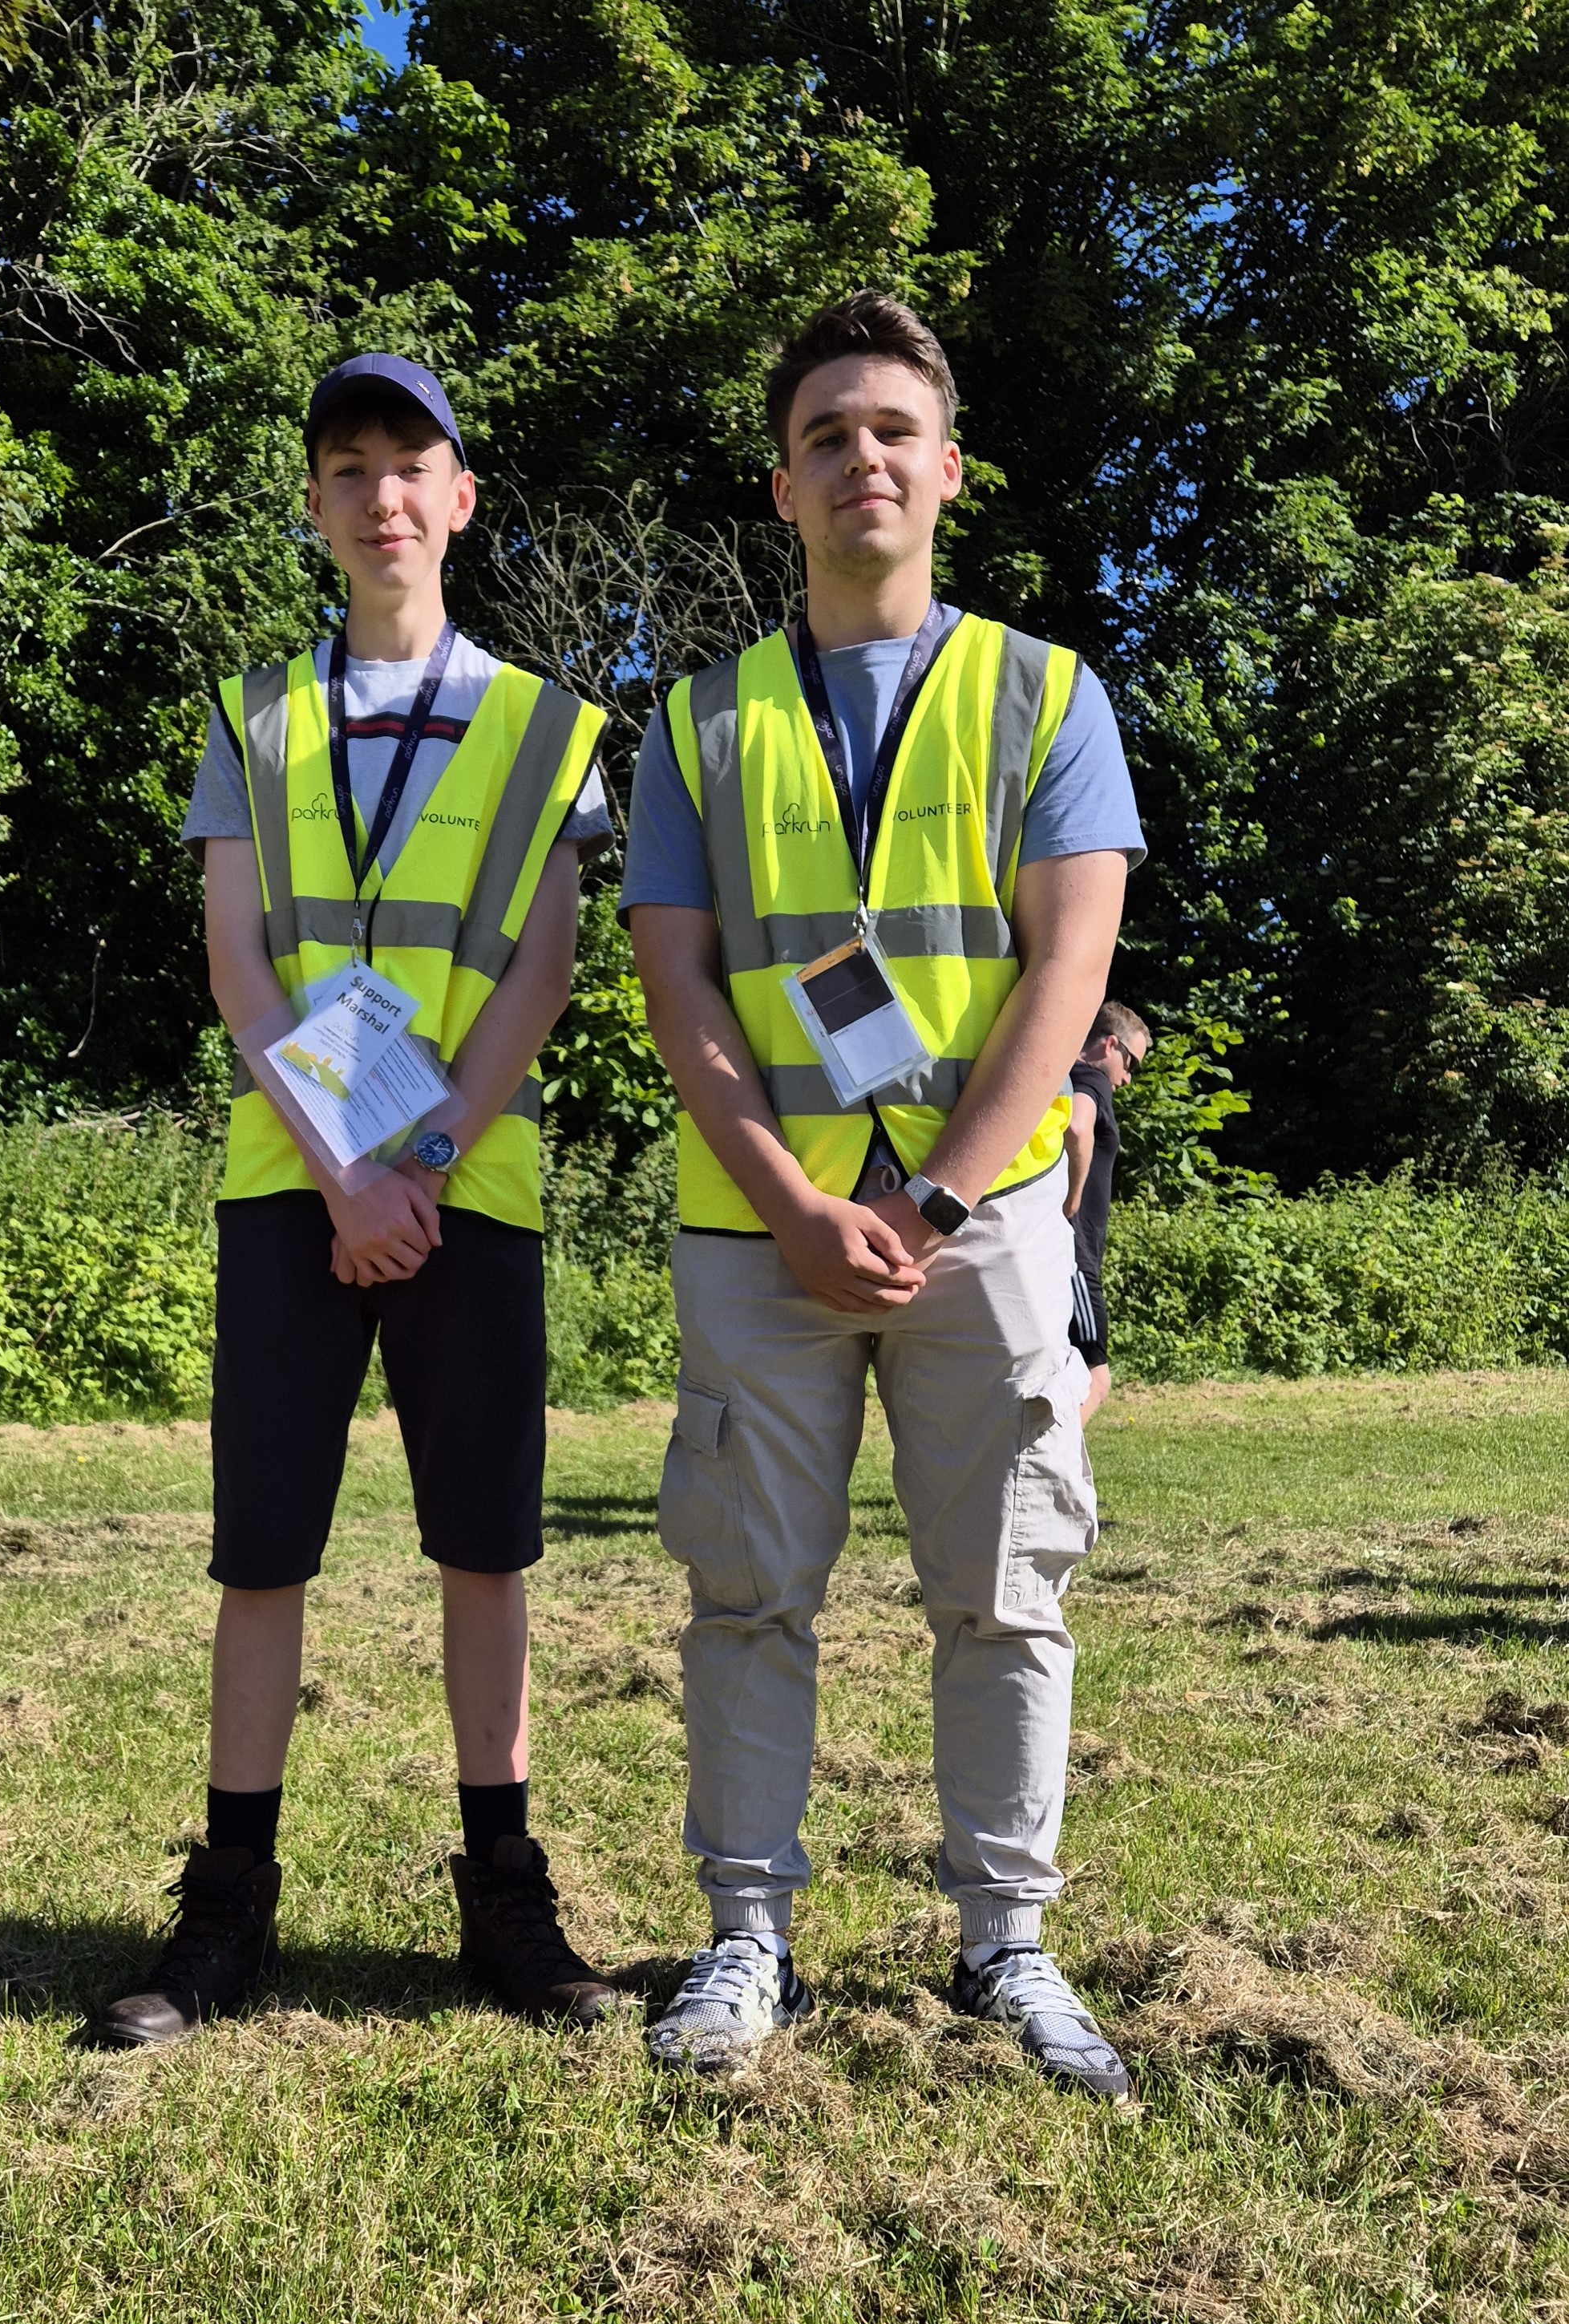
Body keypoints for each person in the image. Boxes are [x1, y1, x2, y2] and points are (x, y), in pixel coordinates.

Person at [622, 293, 1146, 2097]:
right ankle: (743, 1932)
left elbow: (1063, 979)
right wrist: (785, 1199)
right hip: (752, 1229)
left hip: (977, 1226)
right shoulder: (697, 722)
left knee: (1004, 1592)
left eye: (892, 429)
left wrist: (917, 1206)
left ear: (946, 469)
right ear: (783, 486)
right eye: (828, 433)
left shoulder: (1047, 693)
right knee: (745, 1591)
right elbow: (676, 986)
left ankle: (1007, 1940)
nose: (863, 456)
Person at [93, 354, 619, 2047]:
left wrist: (426, 1160)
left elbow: (543, 967)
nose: (380, 490)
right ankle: (226, 1909)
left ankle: (506, 1897)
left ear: (461, 496)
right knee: (263, 1552)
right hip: (290, 1185)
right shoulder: (251, 713)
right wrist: (342, 1167)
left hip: (474, 1188)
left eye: (412, 461)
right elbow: (237, 964)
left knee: (486, 1550)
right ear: (315, 506)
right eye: (346, 465)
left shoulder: (553, 725)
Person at [1064, 1002, 1150, 1423]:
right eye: (1130, 1062)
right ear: (1109, 1044)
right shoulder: (1092, 1081)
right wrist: (1073, 1199)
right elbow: (1077, 1127)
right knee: (1094, 1379)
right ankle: (1043, 1483)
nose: (1128, 1077)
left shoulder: (1059, 1078)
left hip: (1063, 1252)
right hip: (1076, 1259)